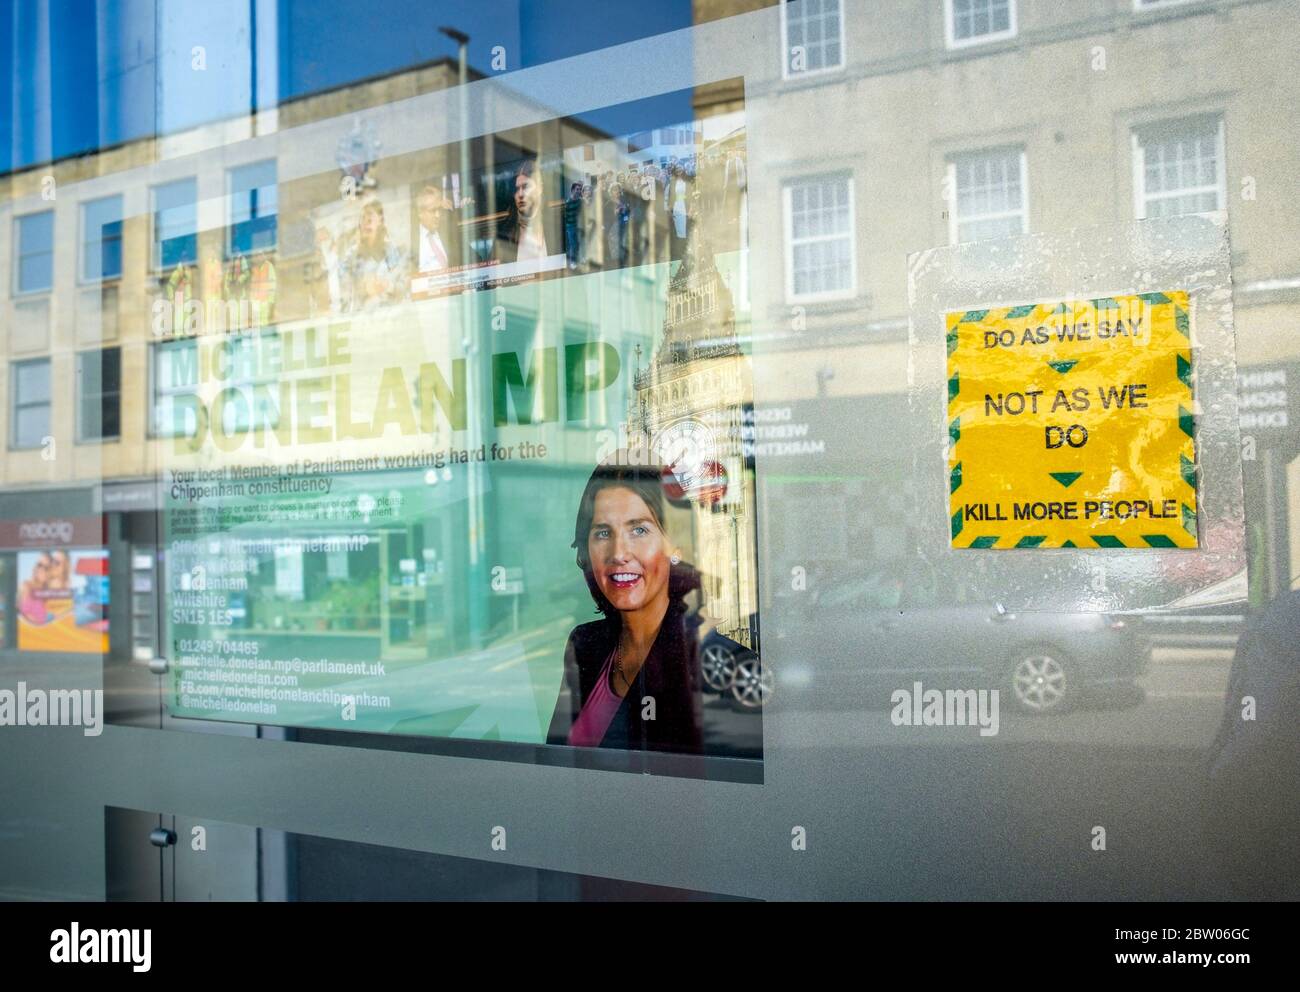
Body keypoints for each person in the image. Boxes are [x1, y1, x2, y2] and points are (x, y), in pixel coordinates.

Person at [548, 456, 740, 755]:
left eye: (639, 530)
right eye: (602, 532)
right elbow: (555, 761)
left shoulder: (712, 658)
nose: (618, 553)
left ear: (673, 544)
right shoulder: (585, 645)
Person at [345, 198, 409, 310]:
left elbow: (405, 287)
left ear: (381, 221)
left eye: (370, 217)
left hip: (392, 318)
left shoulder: (395, 251)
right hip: (363, 319)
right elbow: (344, 290)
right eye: (362, 218)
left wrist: (388, 286)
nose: (366, 222)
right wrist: (365, 288)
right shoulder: (351, 255)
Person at [492, 159, 552, 268]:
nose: (520, 194)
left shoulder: (557, 227)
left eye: (525, 187)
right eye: (516, 189)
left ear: (540, 187)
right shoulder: (504, 234)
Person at [414, 185, 460, 275]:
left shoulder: (448, 233)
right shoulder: (413, 240)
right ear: (420, 213)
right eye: (433, 210)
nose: (438, 215)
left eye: (439, 209)